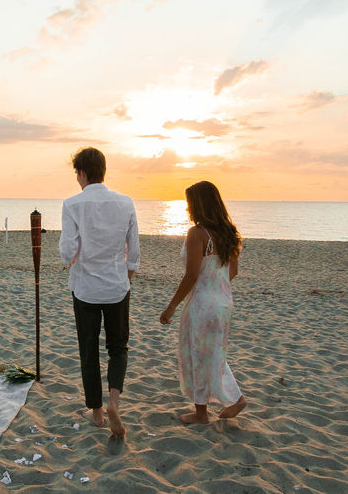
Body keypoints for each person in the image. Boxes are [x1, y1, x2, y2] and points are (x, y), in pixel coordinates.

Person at [59, 147, 140, 439]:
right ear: (103, 170)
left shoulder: (72, 204)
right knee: (118, 347)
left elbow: (67, 251)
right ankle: (114, 401)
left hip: (85, 289)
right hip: (118, 287)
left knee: (88, 348)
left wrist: (78, 256)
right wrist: (124, 277)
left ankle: (96, 411)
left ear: (81, 172)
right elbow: (134, 253)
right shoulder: (125, 202)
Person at [160, 181, 246, 425]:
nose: (188, 208)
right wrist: (216, 286)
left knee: (198, 354)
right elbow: (233, 271)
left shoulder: (197, 233)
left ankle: (204, 411)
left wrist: (172, 306)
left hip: (202, 303)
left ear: (198, 205)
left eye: (189, 203)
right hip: (223, 302)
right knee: (214, 354)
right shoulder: (229, 233)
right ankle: (227, 400)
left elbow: (191, 275)